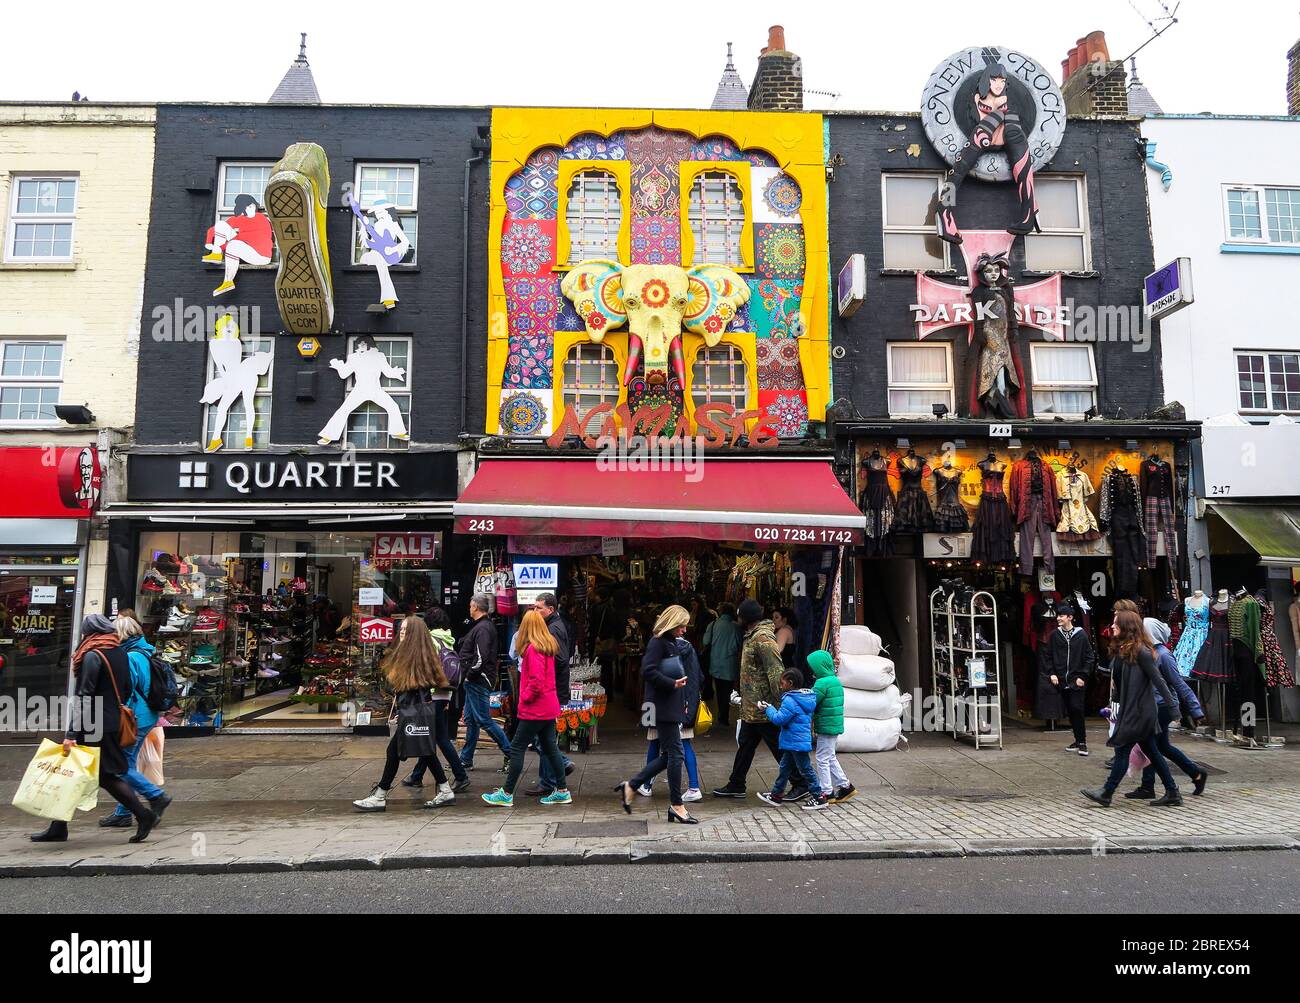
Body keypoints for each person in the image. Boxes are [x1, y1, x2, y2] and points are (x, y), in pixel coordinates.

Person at [30, 615, 159, 843]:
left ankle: (143, 814)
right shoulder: (119, 652)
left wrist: (71, 733)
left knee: (103, 775)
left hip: (93, 724)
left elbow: (84, 695)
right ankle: (58, 826)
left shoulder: (93, 654)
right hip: (111, 720)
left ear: (89, 633)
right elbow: (126, 688)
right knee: (76, 772)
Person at [1081, 610, 1183, 808]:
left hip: (1140, 712)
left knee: (1122, 750)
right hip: (1133, 710)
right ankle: (1172, 791)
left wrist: (1173, 709)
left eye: (1116, 624)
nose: (1112, 626)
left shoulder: (1142, 652)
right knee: (1152, 752)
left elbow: (1159, 681)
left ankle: (1107, 792)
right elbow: (1120, 684)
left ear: (1126, 627)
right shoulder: (1123, 651)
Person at [353, 616, 455, 812]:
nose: (401, 631)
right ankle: (444, 789)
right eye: (401, 628)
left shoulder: (415, 657)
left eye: (406, 629)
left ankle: (380, 795)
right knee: (425, 750)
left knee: (399, 751)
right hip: (414, 712)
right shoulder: (416, 654)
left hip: (414, 713)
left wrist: (404, 710)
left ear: (414, 634)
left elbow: (415, 687)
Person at [614, 605, 701, 823]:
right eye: (682, 625)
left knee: (670, 755)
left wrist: (683, 698)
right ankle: (677, 805)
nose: (684, 630)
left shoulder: (670, 642)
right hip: (663, 706)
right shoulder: (658, 642)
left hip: (670, 704)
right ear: (672, 623)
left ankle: (632, 785)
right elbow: (648, 671)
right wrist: (672, 684)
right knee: (676, 754)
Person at [482, 610, 572, 807]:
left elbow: (536, 682)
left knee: (516, 748)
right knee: (550, 747)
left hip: (535, 709)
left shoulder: (533, 649)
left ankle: (506, 793)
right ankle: (562, 791)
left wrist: (524, 698)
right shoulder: (547, 646)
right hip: (548, 706)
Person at [712, 600, 791, 799]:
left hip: (764, 708)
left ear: (745, 618)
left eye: (740, 615)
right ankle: (736, 784)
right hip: (752, 708)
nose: (737, 618)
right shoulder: (751, 636)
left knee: (779, 748)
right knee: (745, 746)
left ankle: (802, 782)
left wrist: (782, 702)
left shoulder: (763, 639)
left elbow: (776, 672)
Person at [99, 612, 173, 828]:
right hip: (148, 714)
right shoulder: (146, 651)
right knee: (128, 763)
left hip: (135, 716)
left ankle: (156, 795)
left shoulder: (131, 657)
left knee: (120, 765)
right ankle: (124, 811)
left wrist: (120, 714)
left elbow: (127, 689)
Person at [1126, 618, 1208, 800]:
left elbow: (1179, 684)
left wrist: (1195, 709)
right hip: (1153, 705)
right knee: (1162, 746)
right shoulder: (1147, 652)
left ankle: (1153, 786)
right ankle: (1196, 773)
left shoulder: (1164, 655)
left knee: (1150, 745)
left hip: (1162, 707)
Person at [525, 592, 575, 796]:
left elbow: (561, 659)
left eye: (539, 608)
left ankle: (556, 771)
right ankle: (551, 777)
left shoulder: (553, 628)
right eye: (534, 607)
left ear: (551, 609)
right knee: (543, 738)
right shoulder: (551, 626)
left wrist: (543, 666)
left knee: (542, 740)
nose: (535, 611)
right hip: (551, 691)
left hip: (550, 692)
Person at [757, 670, 827, 810]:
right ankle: (776, 795)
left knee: (805, 769)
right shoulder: (805, 698)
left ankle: (819, 796)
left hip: (795, 742)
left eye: (782, 683)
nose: (780, 686)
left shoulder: (790, 700)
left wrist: (769, 709)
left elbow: (779, 719)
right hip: (796, 741)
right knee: (785, 768)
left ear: (790, 683)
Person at [454, 594, 509, 771]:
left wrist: (469, 675)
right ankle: (466, 759)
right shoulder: (482, 626)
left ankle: (511, 754)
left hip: (478, 680)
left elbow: (480, 657)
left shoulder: (483, 628)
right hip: (475, 680)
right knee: (471, 720)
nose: (469, 608)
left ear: (476, 607)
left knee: (484, 720)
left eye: (471, 605)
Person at [1042, 604, 1097, 757]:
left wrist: (1083, 676)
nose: (1058, 618)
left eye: (1061, 616)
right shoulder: (1054, 635)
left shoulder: (1081, 634)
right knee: (1070, 710)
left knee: (1077, 708)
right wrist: (1052, 673)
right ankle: (1077, 740)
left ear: (1070, 617)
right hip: (1061, 680)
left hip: (1077, 679)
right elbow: (1048, 656)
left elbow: (1089, 657)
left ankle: (1082, 742)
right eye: (1058, 615)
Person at [808, 649, 855, 803]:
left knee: (821, 758)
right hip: (834, 724)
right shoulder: (835, 681)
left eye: (813, 667)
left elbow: (812, 702)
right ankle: (845, 786)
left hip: (825, 726)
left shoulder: (821, 683)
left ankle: (826, 791)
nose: (812, 671)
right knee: (830, 756)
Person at [702, 602, 741, 727]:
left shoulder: (713, 625)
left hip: (716, 663)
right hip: (730, 664)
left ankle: (722, 715)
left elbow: (705, 641)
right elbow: (741, 644)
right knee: (728, 690)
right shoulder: (736, 627)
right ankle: (724, 714)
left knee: (719, 690)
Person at [773, 607, 799, 675]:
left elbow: (778, 650)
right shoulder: (789, 630)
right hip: (787, 667)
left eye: (776, 617)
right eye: (773, 617)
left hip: (782, 668)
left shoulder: (784, 631)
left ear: (784, 619)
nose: (773, 620)